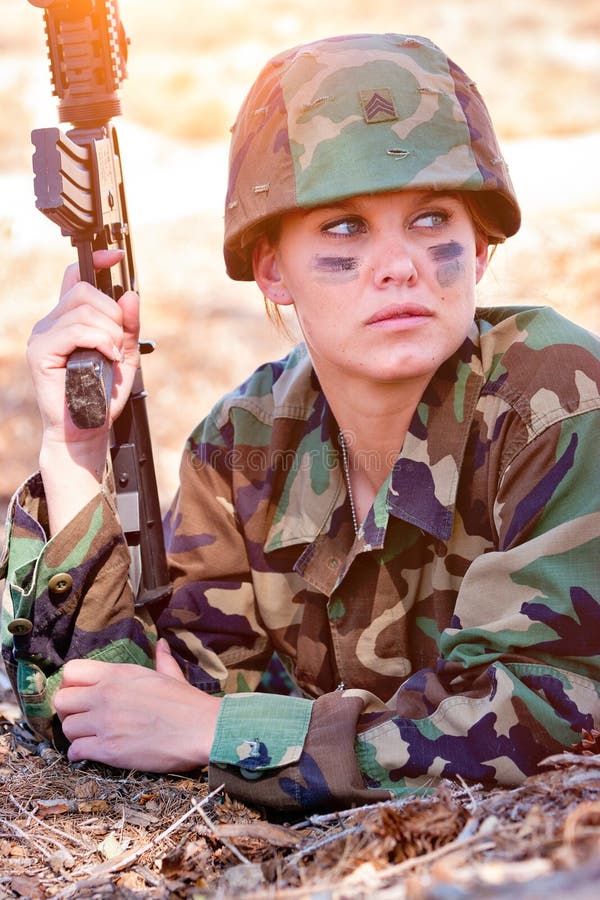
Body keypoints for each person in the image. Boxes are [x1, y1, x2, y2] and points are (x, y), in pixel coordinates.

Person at [2, 33, 600, 812]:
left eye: (431, 219)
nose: (399, 264)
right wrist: (75, 450)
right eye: (344, 228)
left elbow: (552, 717)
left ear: (480, 247)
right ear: (272, 269)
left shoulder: (557, 404)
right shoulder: (244, 447)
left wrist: (223, 730)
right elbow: (117, 704)